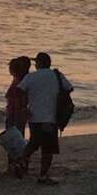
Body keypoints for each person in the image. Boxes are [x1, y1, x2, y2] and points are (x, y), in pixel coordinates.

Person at [17, 52, 73, 184]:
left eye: (36, 62)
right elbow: (69, 88)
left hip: (34, 117)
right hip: (50, 118)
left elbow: (19, 90)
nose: (35, 64)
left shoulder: (31, 77)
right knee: (48, 149)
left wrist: (23, 108)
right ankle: (42, 176)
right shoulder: (57, 75)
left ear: (39, 64)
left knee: (33, 142)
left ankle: (21, 160)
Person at [5, 56, 31, 137]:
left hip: (15, 112)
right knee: (17, 134)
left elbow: (19, 98)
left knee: (15, 135)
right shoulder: (18, 79)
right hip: (14, 111)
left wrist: (17, 113)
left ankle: (19, 149)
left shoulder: (19, 82)